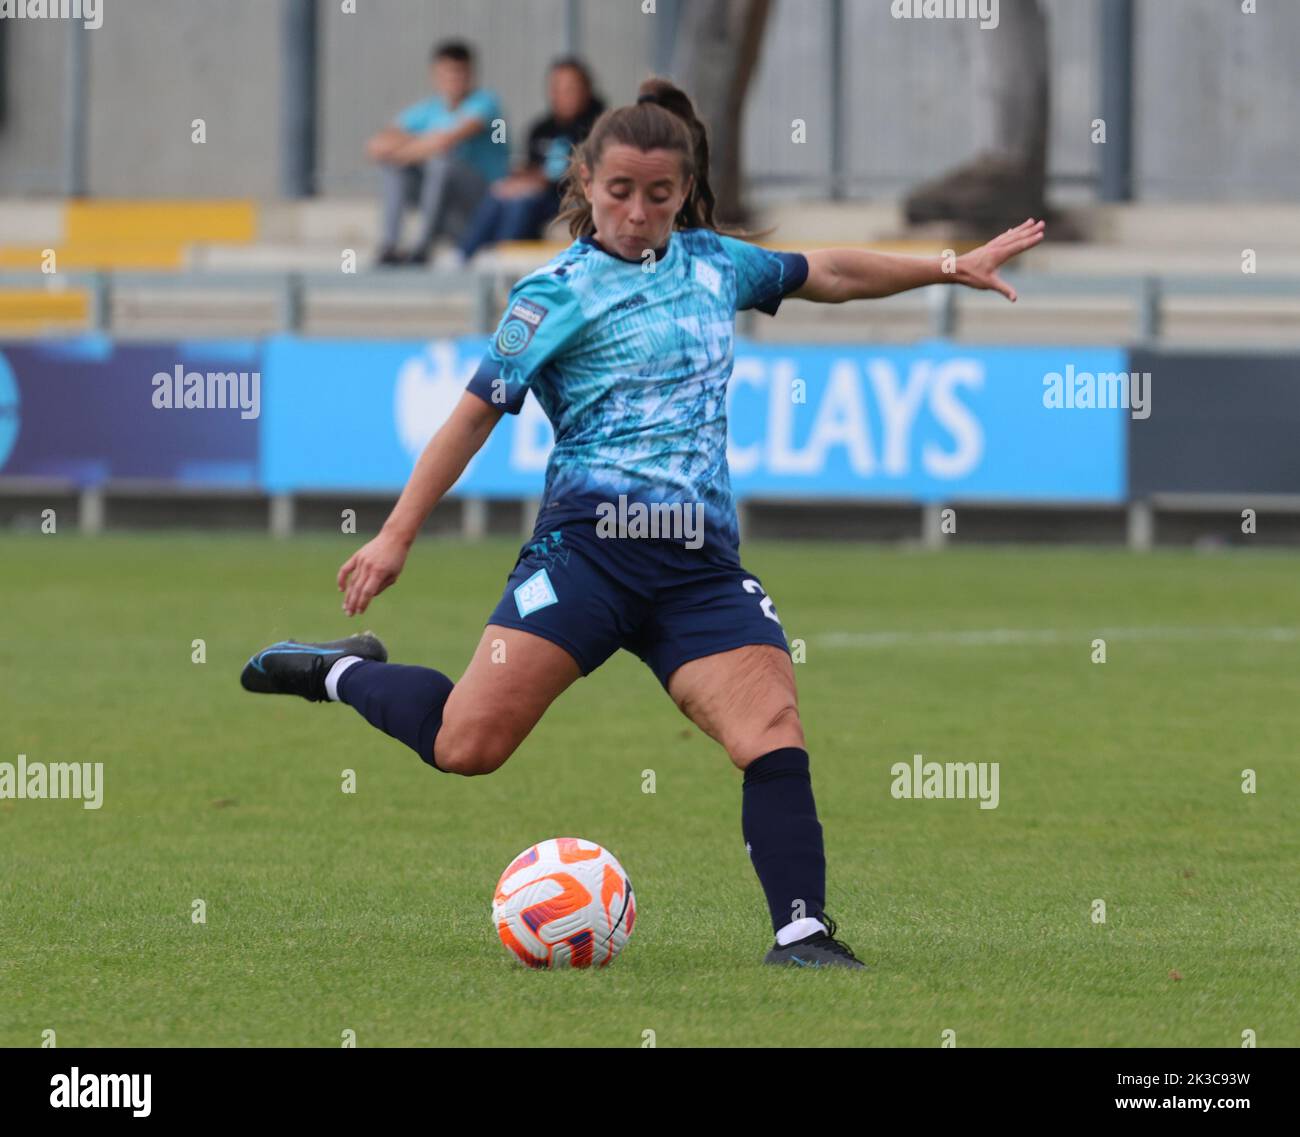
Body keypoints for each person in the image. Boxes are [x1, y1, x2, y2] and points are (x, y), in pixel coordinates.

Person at [242, 78, 1045, 967]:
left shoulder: (715, 263)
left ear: (683, 190)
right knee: (467, 745)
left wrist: (946, 264)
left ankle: (802, 931)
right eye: (618, 191)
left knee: (771, 731)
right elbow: (471, 416)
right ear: (585, 182)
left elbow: (834, 272)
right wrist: (396, 533)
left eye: (657, 196)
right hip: (584, 556)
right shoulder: (549, 298)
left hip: (698, 566)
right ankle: (341, 674)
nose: (636, 212)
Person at [367, 40, 508, 266]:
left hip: (481, 203)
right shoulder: (430, 108)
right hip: (444, 207)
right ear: (435, 75)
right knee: (395, 169)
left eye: (458, 74)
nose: (452, 81)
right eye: (446, 74)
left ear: (471, 74)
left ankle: (423, 246)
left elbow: (445, 141)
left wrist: (405, 148)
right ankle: (389, 245)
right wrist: (417, 143)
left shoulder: (486, 102)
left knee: (441, 163)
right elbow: (376, 146)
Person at [457, 57, 605, 262]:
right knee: (500, 192)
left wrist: (540, 181)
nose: (562, 95)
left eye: (570, 88)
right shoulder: (540, 128)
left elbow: (593, 172)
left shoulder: (600, 127)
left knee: (522, 202)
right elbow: (531, 166)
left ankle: (502, 259)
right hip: (540, 194)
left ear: (586, 89)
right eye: (556, 88)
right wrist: (518, 180)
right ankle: (464, 255)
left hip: (569, 198)